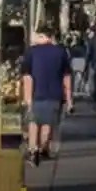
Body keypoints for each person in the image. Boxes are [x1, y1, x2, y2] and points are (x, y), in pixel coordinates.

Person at [20, 28, 72, 166]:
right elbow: (66, 76)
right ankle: (43, 148)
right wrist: (69, 98)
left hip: (36, 93)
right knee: (47, 123)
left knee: (33, 122)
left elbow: (27, 76)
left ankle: (33, 150)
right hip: (55, 94)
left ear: (44, 36)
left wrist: (27, 97)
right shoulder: (61, 52)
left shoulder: (31, 52)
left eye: (37, 36)